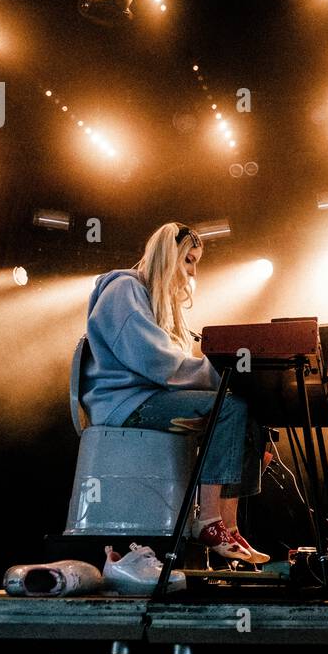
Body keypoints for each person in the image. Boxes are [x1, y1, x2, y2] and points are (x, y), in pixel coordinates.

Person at [81, 221, 269, 564]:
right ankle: (208, 520)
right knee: (229, 408)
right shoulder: (124, 289)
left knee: (248, 411)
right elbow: (155, 360)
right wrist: (217, 373)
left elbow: (169, 364)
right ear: (168, 256)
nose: (193, 271)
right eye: (188, 260)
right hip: (124, 403)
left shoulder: (156, 299)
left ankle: (228, 523)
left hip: (147, 398)